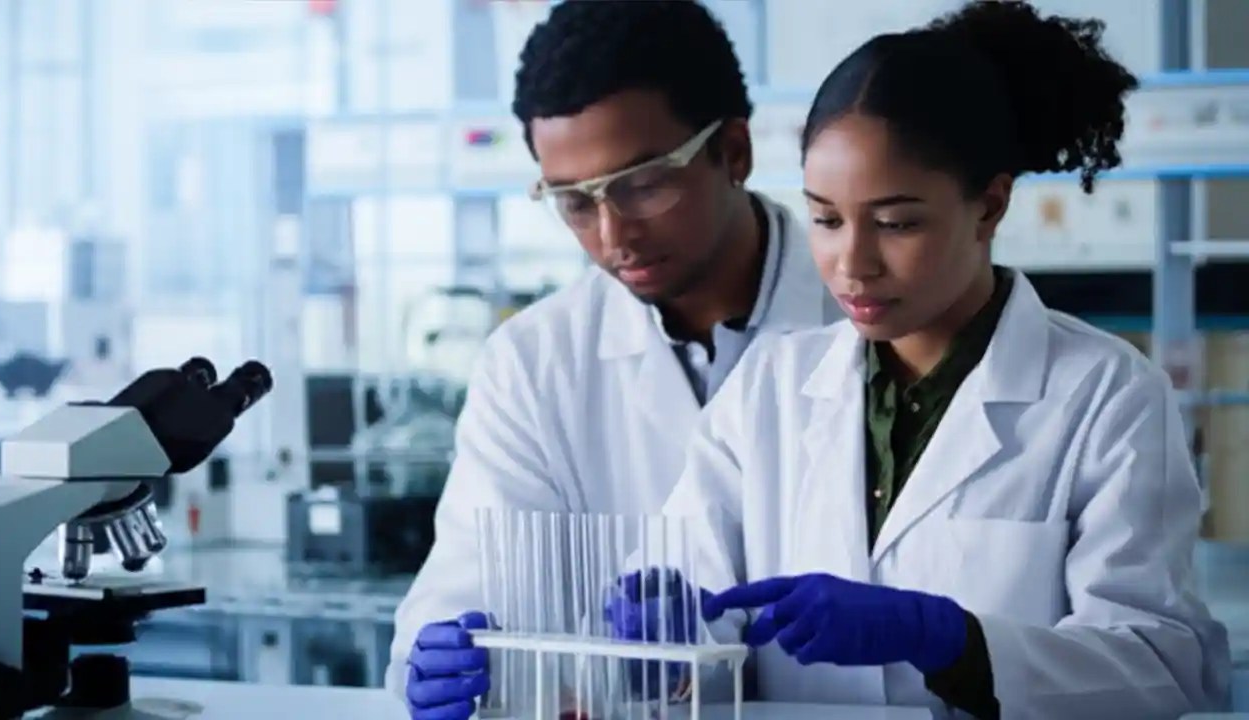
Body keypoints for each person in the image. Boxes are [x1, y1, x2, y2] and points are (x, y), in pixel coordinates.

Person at [620, 2, 1231, 719]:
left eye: (896, 223)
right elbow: (704, 622)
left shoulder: (1106, 395)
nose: (852, 264)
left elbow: (1162, 666)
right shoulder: (767, 390)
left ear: (989, 206)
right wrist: (666, 632)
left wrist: (951, 642)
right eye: (824, 218)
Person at [389, 1, 833, 716]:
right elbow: (467, 587)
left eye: (644, 184)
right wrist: (440, 655)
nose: (611, 234)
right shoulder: (535, 365)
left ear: (736, 152)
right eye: (573, 201)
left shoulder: (866, 319)